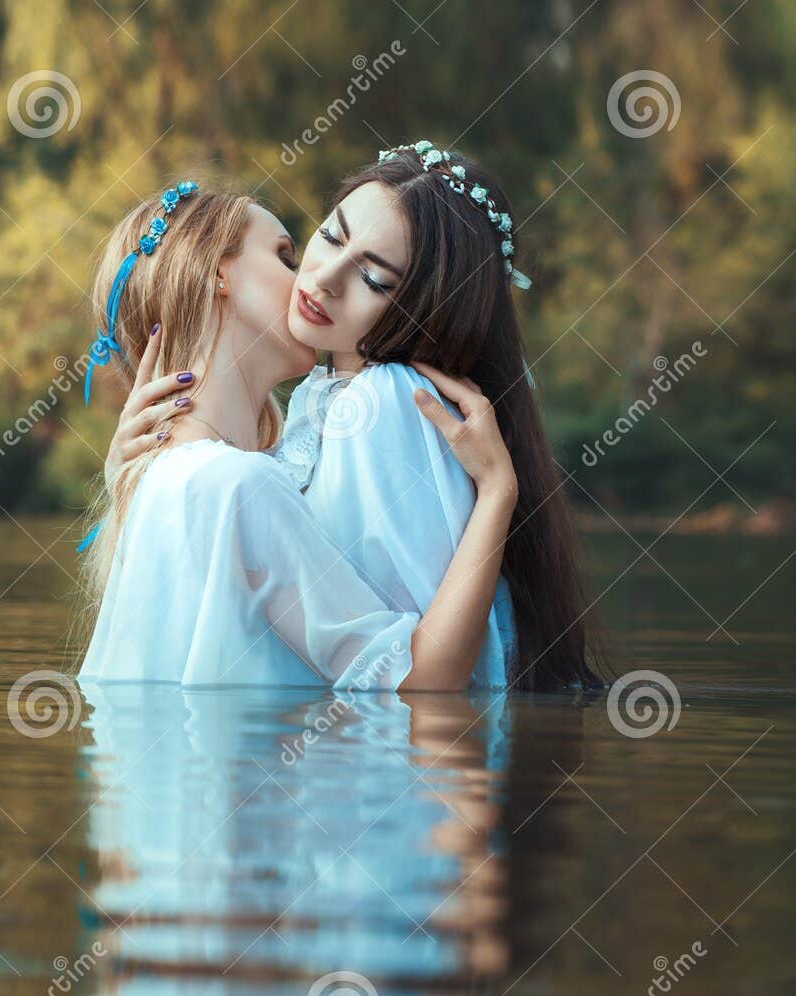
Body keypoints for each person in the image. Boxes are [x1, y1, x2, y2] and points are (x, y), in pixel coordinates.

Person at [100, 143, 604, 691]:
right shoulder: (245, 467)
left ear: (418, 307)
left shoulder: (374, 406)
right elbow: (416, 679)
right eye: (327, 239)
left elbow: (416, 674)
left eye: (376, 280)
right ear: (216, 274)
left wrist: (498, 490)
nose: (319, 279)